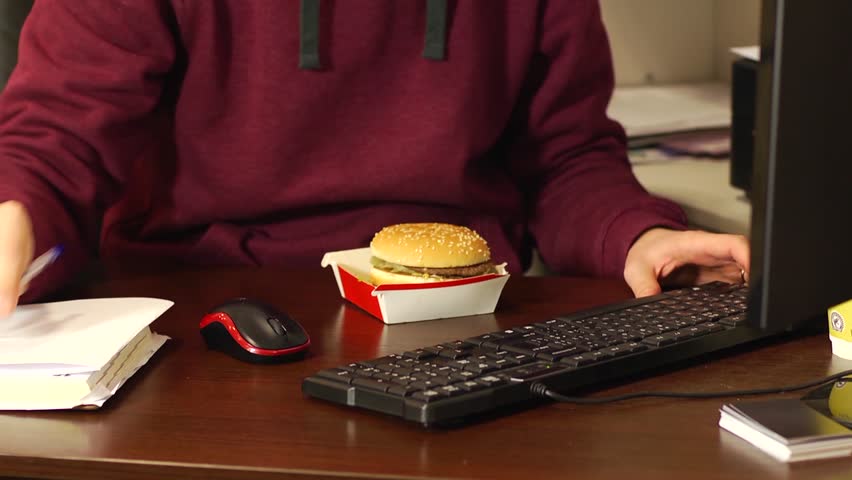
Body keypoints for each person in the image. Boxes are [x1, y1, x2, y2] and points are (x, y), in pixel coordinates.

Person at [0, 0, 748, 317]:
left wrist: (641, 238)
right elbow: (57, 132)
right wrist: (16, 212)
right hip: (201, 313)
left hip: (463, 320)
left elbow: (566, 154)